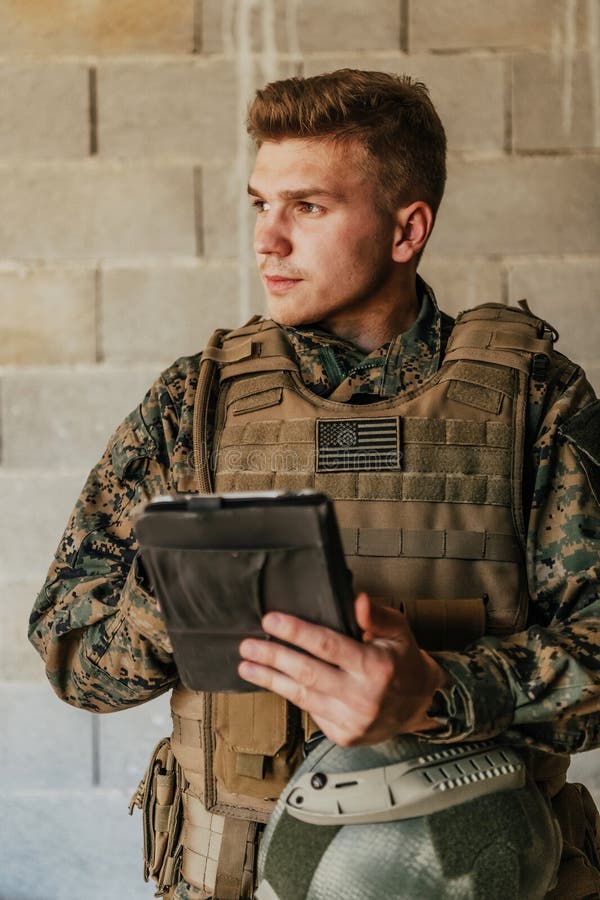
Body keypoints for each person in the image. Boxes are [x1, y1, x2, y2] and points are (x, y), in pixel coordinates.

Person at [29, 69, 600, 899]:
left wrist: (443, 690)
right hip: (238, 876)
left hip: (473, 875)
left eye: (307, 207)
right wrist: (180, 593)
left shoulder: (537, 402)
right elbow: (71, 656)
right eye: (260, 204)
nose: (267, 241)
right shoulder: (194, 404)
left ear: (408, 230)